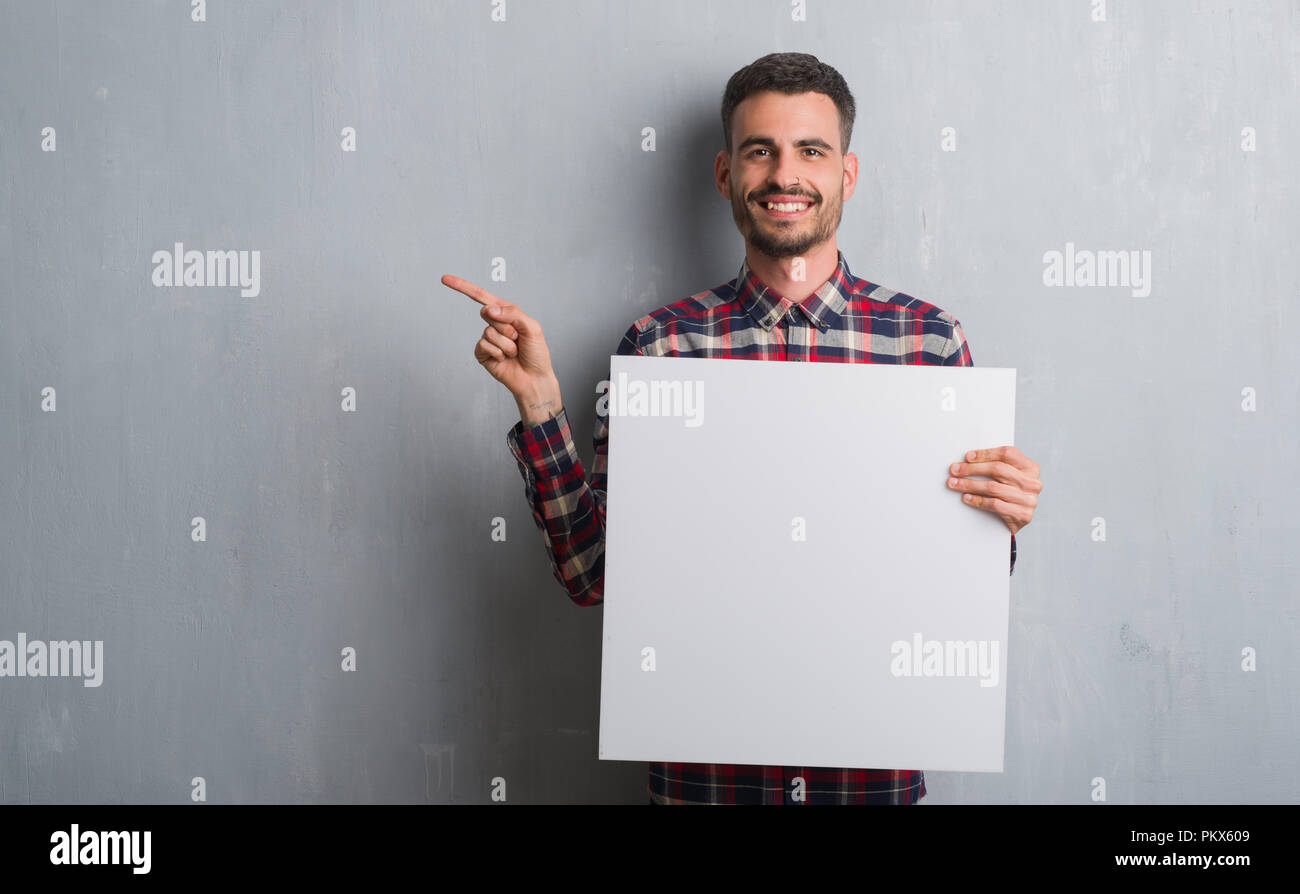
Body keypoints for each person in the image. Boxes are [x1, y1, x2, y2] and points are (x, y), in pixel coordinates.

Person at [443, 52, 1043, 804]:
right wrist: (539, 404)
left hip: (868, 785)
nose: (785, 174)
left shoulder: (928, 342)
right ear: (726, 175)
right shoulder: (660, 347)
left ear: (846, 175)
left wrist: (1002, 521)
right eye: (761, 150)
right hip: (709, 787)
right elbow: (593, 575)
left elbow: (948, 585)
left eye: (810, 152)